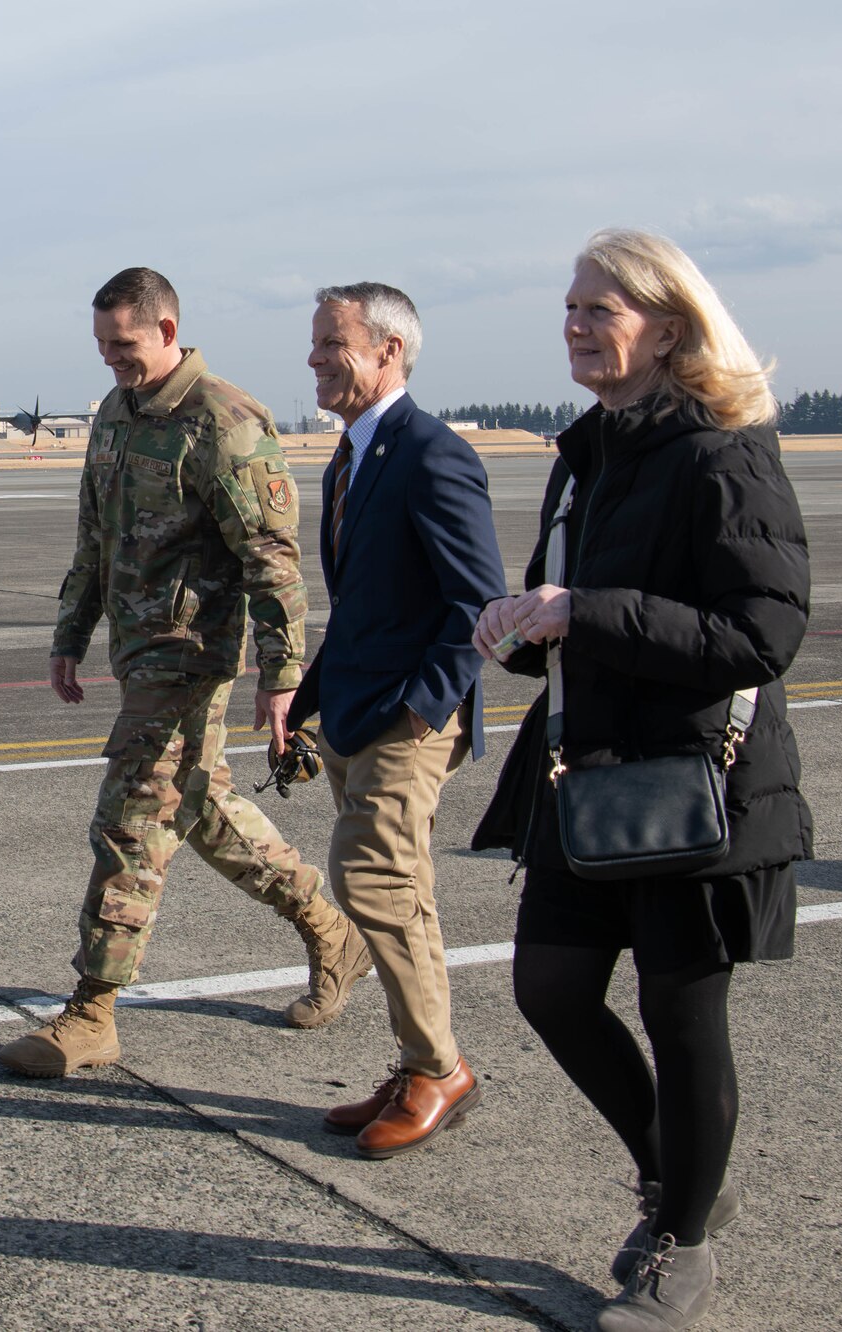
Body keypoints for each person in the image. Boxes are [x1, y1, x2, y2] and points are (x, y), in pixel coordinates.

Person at [470, 229, 811, 1331]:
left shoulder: (722, 453)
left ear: (666, 330)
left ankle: (682, 1244)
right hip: (588, 774)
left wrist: (585, 615)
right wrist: (519, 628)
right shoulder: (586, 453)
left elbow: (762, 632)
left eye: (598, 311)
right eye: (568, 308)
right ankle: (678, 1178)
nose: (574, 326)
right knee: (550, 988)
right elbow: (561, 600)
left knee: (678, 1011)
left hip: (692, 779)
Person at [0, 267, 367, 1079]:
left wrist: (283, 678)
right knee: (198, 807)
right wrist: (70, 633)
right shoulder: (115, 413)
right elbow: (94, 536)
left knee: (129, 816)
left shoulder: (225, 423)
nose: (111, 363)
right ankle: (331, 930)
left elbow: (272, 560)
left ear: (168, 331)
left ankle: (92, 1011)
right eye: (101, 347)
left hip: (192, 658)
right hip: (135, 651)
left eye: (123, 346)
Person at [285, 283, 505, 1158]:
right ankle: (420, 1063)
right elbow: (364, 605)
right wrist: (308, 705)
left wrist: (423, 711)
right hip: (355, 709)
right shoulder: (353, 454)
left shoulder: (430, 454)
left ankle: (439, 1069)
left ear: (389, 352)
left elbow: (478, 601)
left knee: (374, 882)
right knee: (400, 889)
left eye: (331, 344)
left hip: (406, 718)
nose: (313, 358)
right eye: (313, 343)